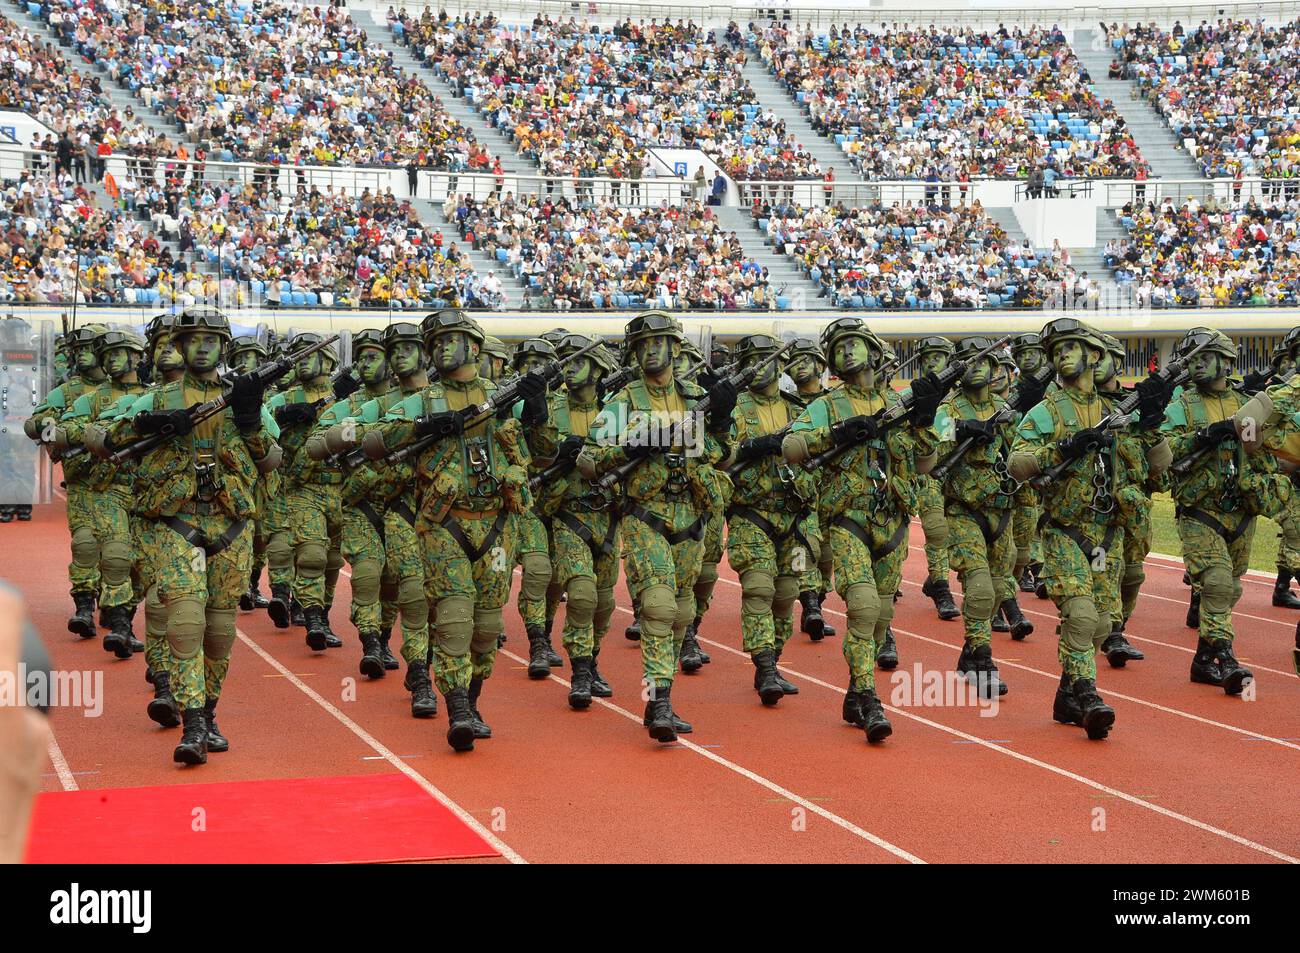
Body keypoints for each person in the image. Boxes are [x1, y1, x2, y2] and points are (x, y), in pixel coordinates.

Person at [100, 306, 280, 764]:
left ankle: (210, 711)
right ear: (178, 347)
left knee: (219, 631)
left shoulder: (245, 397)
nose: (202, 346)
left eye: (211, 339)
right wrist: (149, 423)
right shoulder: (158, 397)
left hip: (232, 525)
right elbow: (102, 438)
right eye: (192, 339)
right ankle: (194, 724)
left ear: (224, 348)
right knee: (184, 621)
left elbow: (271, 462)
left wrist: (250, 420)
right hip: (175, 522)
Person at [362, 310, 544, 751]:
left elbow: (543, 445)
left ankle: (474, 699)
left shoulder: (503, 397)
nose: (441, 347)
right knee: (456, 618)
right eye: (436, 341)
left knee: (487, 626)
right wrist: (425, 425)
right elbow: (373, 440)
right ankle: (457, 707)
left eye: (452, 339)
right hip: (445, 526)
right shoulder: (421, 400)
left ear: (475, 348)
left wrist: (537, 405)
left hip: (499, 526)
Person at [782, 318, 944, 742]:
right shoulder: (827, 405)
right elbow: (792, 447)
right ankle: (870, 698)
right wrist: (836, 433)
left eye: (855, 344)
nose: (847, 351)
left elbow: (926, 463)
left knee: (882, 615)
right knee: (864, 607)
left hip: (892, 517)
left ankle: (855, 690)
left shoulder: (899, 404)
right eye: (839, 347)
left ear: (874, 353)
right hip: (847, 518)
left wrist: (924, 417)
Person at [1009, 319, 1172, 739]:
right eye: (1056, 349)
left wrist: (1152, 422)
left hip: (1107, 534)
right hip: (1065, 532)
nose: (1061, 354)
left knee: (1101, 622)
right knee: (1080, 615)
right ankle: (1086, 692)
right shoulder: (1046, 412)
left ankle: (1066, 693)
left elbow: (1158, 475)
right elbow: (1018, 465)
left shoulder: (1117, 414)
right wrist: (1063, 447)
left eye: (1071, 347)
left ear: (1095, 356)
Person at [578, 311, 734, 741]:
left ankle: (661, 697)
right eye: (643, 345)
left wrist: (721, 420)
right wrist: (634, 441)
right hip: (646, 514)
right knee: (660, 606)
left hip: (692, 514)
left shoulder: (695, 396)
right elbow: (588, 459)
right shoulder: (624, 400)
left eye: (659, 343)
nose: (651, 350)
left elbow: (724, 455)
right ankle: (658, 701)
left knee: (682, 611)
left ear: (675, 350)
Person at [722, 334, 812, 704]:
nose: (759, 368)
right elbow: (719, 454)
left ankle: (774, 657)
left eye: (765, 360)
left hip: (794, 519)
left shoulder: (798, 408)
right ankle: (764, 667)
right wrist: (755, 446)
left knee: (789, 591)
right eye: (751, 362)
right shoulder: (733, 409)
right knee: (760, 588)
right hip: (751, 513)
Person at [265, 334, 351, 651]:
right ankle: (311, 614)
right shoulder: (281, 400)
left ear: (328, 362)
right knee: (307, 552)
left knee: (332, 560)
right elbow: (260, 427)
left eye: (309, 356)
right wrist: (286, 417)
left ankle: (320, 610)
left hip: (340, 485)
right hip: (300, 486)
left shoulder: (345, 399)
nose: (301, 361)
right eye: (298, 356)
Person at [24, 325, 109, 638]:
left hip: (127, 483)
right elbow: (33, 426)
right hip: (84, 480)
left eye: (89, 348)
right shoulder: (67, 391)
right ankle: (85, 605)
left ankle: (118, 609)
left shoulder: (134, 390)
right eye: (78, 350)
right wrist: (55, 432)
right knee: (85, 544)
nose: (82, 355)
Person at [783, 337, 836, 641]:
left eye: (806, 360)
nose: (799, 366)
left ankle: (817, 598)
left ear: (820, 366)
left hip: (832, 489)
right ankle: (809, 603)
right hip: (797, 490)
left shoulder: (832, 402)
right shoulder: (783, 403)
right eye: (794, 361)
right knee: (802, 548)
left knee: (826, 556)